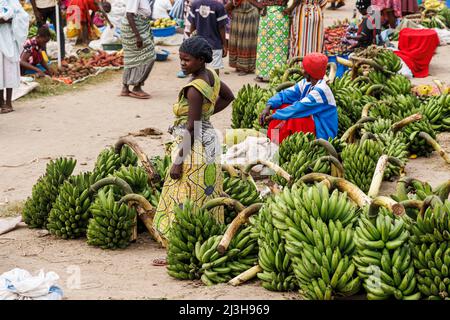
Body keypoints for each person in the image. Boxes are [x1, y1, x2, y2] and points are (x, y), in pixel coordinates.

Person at [152, 36, 234, 257]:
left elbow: (191, 129)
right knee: (204, 194)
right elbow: (228, 97)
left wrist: (178, 162)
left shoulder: (194, 89)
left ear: (200, 60)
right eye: (180, 59)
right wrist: (205, 115)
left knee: (182, 197)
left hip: (193, 149)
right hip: (209, 143)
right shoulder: (212, 77)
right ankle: (206, 240)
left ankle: (179, 247)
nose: (182, 64)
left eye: (186, 60)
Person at [259, 53, 337, 144]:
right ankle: (274, 141)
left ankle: (278, 143)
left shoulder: (321, 91)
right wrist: (269, 106)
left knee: (294, 118)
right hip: (311, 121)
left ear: (311, 72)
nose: (302, 71)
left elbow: (298, 108)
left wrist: (274, 116)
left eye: (305, 69)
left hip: (322, 132)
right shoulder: (306, 83)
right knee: (280, 106)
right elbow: (286, 95)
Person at [120, 0, 156, 99]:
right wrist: (138, 36)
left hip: (138, 27)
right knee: (150, 56)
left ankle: (125, 88)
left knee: (131, 58)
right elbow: (129, 14)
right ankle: (137, 87)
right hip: (134, 30)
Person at [0, 0, 29, 114]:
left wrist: (8, 19)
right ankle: (1, 102)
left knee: (9, 69)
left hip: (9, 39)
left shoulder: (12, 1)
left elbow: (22, 16)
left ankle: (8, 102)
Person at [188, 0, 228, 75]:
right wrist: (224, 45)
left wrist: (191, 41)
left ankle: (202, 86)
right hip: (215, 44)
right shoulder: (218, 6)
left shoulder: (195, 5)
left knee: (199, 69)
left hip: (199, 44)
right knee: (214, 70)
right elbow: (221, 28)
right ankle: (214, 85)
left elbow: (192, 25)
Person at [255, 0, 290, 82]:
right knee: (278, 46)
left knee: (265, 45)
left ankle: (264, 73)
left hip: (273, 13)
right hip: (276, 13)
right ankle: (278, 75)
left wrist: (259, 5)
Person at [226, 0, 260, 75]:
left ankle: (246, 67)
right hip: (237, 14)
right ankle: (238, 65)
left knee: (246, 41)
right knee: (236, 40)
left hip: (250, 14)